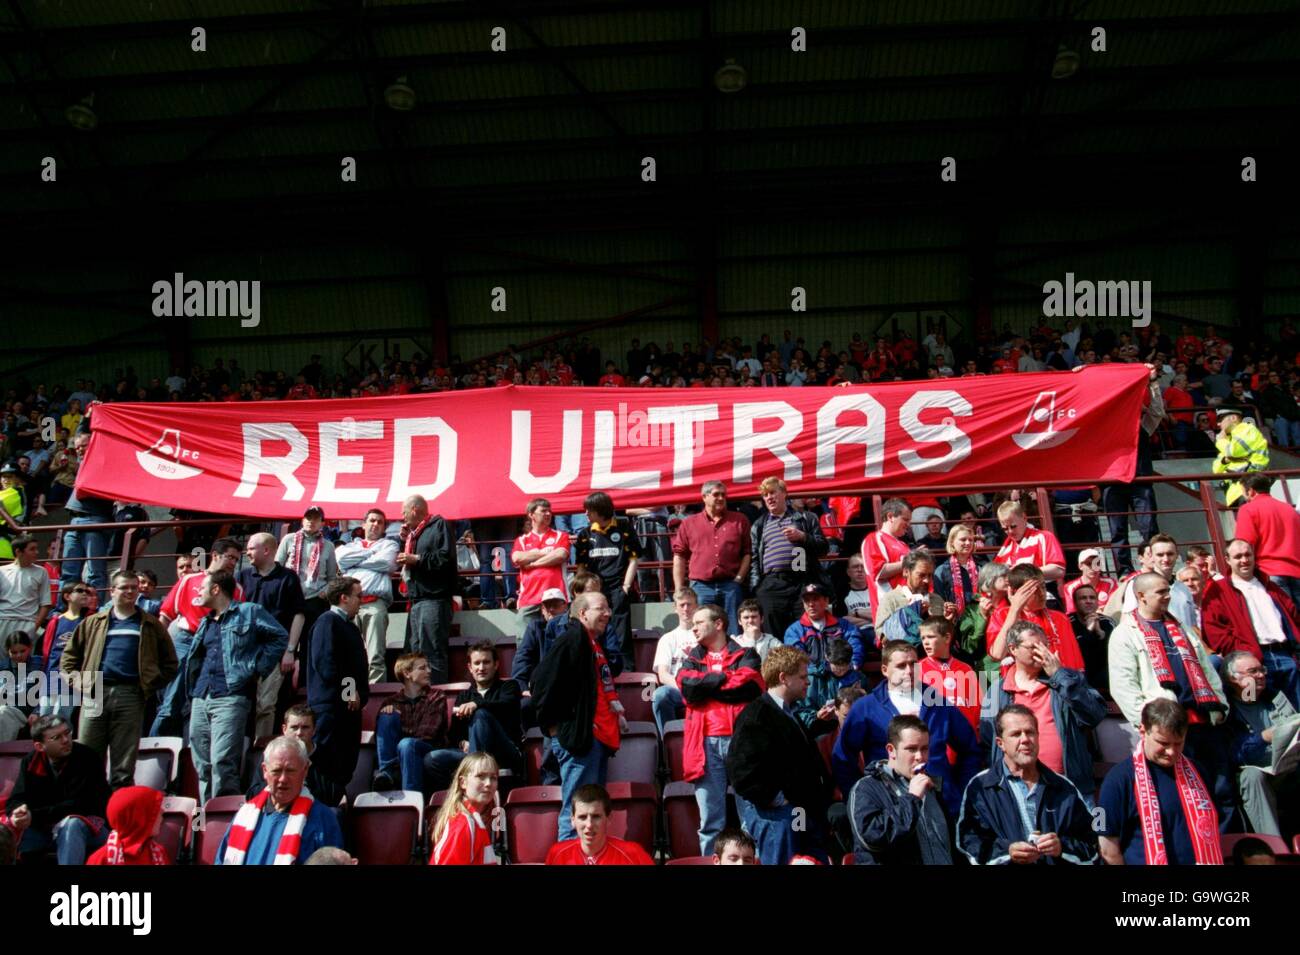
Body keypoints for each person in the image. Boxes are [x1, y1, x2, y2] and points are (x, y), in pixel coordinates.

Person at [1108, 571, 1235, 827]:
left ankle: (1227, 849)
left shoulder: (1181, 628)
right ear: (1141, 596)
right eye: (1162, 592)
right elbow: (1124, 687)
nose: (1168, 596)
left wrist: (1221, 706)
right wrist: (1150, 725)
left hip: (1204, 722)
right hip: (1168, 731)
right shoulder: (1125, 634)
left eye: (1168, 590)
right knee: (1185, 794)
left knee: (1223, 791)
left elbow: (1206, 670)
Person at [833, 640, 981, 818]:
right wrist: (859, 798)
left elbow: (970, 750)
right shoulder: (866, 708)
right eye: (901, 666)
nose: (909, 671)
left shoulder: (938, 702)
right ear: (885, 670)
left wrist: (960, 790)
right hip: (890, 809)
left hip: (942, 806)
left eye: (913, 664)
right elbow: (842, 757)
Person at [60, 570, 177, 788]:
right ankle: (89, 815)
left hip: (130, 695)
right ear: (112, 591)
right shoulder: (92, 623)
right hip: (94, 693)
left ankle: (118, 817)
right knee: (87, 758)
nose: (130, 591)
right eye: (124, 587)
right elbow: (68, 659)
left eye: (134, 587)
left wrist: (150, 684)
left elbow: (170, 663)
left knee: (123, 764)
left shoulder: (150, 624)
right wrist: (78, 682)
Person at [185, 569, 289, 804]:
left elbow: (279, 637)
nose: (198, 592)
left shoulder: (249, 611)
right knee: (202, 763)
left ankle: (223, 820)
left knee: (223, 761)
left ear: (215, 589)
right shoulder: (205, 621)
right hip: (201, 696)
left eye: (202, 587)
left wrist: (256, 668)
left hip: (231, 695)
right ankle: (206, 817)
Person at [530, 592, 627, 841]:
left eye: (608, 608)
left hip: (595, 739)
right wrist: (554, 728)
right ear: (582, 613)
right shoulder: (572, 638)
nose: (607, 613)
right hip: (579, 740)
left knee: (590, 810)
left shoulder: (591, 642)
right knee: (577, 813)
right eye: (600, 608)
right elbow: (540, 683)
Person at [725, 646, 833, 865]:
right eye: (803, 677)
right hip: (777, 819)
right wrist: (778, 800)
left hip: (799, 814)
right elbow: (742, 772)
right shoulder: (756, 715)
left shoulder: (788, 712)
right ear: (783, 678)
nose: (808, 682)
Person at [957, 704, 1098, 865]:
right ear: (1000, 743)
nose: (1025, 739)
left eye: (1030, 732)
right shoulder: (981, 787)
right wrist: (1007, 851)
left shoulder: (1064, 787)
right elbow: (968, 842)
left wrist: (1062, 847)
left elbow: (1091, 844)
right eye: (1016, 734)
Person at [984, 621, 1107, 804]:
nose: (1042, 651)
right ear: (1013, 649)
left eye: (1045, 645)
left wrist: (1059, 677)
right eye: (1033, 646)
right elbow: (989, 738)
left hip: (1069, 787)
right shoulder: (996, 691)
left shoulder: (1069, 679)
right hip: (1018, 790)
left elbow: (1094, 715)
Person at [678, 603, 763, 855]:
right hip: (705, 745)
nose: (693, 628)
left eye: (699, 623)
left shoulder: (748, 654)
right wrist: (724, 678)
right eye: (692, 623)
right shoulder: (691, 658)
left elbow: (747, 686)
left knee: (750, 817)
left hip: (742, 743)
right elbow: (687, 688)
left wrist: (706, 687)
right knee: (709, 822)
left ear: (718, 624)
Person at [1098, 699, 1223, 865]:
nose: (1171, 752)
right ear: (1143, 731)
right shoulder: (1118, 780)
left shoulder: (1198, 772)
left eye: (1178, 743)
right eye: (1163, 743)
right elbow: (1107, 848)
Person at [1201, 538, 1300, 709]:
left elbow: (1293, 616)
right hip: (1250, 663)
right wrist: (1242, 653)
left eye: (1248, 555)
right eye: (1238, 556)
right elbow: (1213, 630)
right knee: (1258, 711)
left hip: (1285, 656)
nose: (1244, 560)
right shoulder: (1217, 590)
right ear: (1227, 560)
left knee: (1296, 709)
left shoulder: (1270, 586)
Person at [216, 735, 345, 865]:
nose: (283, 779)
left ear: (305, 770)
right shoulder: (244, 816)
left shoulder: (323, 819)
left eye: (290, 771)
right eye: (277, 771)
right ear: (265, 771)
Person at [847, 715, 955, 865]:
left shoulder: (930, 787)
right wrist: (912, 799)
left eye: (924, 749)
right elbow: (872, 837)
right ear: (891, 750)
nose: (920, 756)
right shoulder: (866, 789)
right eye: (911, 749)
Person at [9, 715, 111, 864]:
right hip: (45, 828)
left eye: (67, 733)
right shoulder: (30, 761)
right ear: (40, 746)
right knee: (10, 827)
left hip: (89, 830)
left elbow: (78, 805)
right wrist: (18, 813)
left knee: (72, 824)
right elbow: (16, 798)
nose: (66, 740)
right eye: (56, 737)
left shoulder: (87, 757)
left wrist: (34, 816)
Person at [236, 532, 307, 740]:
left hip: (274, 652)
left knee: (266, 704)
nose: (247, 552)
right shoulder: (242, 577)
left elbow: (298, 615)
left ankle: (261, 750)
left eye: (251, 548)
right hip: (245, 652)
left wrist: (290, 651)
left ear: (266, 550)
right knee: (242, 704)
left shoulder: (288, 577)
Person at [306, 576, 370, 805]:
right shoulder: (327, 622)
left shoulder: (348, 625)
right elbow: (326, 663)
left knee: (343, 764)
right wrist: (349, 690)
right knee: (328, 762)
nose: (361, 601)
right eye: (358, 596)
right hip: (331, 709)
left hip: (346, 710)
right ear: (344, 598)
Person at [1222, 650, 1300, 837]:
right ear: (1234, 679)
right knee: (1251, 776)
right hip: (1260, 774)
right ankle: (1275, 846)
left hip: (1288, 766)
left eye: (1262, 670)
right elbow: (1233, 755)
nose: (1261, 675)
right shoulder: (1227, 709)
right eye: (1253, 671)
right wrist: (1264, 737)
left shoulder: (1274, 698)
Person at [749, 476, 829, 639]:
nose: (769, 497)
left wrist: (803, 537)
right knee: (773, 633)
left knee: (805, 630)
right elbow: (754, 558)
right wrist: (757, 587)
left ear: (784, 493)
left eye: (772, 492)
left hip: (801, 580)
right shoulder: (759, 524)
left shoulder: (806, 518)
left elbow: (823, 549)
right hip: (772, 583)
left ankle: (807, 663)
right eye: (765, 495)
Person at [671, 481, 751, 635]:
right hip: (700, 587)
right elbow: (679, 556)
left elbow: (747, 553)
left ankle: (733, 659)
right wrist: (679, 589)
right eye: (716, 494)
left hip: (731, 586)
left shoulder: (740, 520)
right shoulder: (688, 524)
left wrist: (739, 579)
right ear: (704, 497)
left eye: (723, 495)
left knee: (733, 632)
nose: (721, 498)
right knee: (701, 631)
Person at [373, 653, 455, 793]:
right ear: (407, 673)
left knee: (407, 744)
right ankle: (386, 774)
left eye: (428, 667)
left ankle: (412, 800)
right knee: (387, 717)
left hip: (428, 750)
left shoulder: (436, 696)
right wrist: (390, 716)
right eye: (422, 668)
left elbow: (428, 733)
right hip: (400, 756)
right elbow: (382, 740)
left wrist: (401, 723)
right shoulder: (391, 702)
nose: (429, 671)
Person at [334, 508, 399, 684]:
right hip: (348, 606)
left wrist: (355, 562)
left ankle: (374, 699)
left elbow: (385, 563)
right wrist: (371, 553)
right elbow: (341, 561)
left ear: (384, 527)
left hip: (374, 604)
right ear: (363, 524)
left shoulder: (390, 545)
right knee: (348, 656)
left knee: (375, 656)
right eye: (372, 520)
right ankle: (349, 698)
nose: (375, 524)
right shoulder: (349, 546)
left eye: (380, 522)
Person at [397, 494, 457, 683]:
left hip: (434, 599)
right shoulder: (414, 534)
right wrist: (407, 541)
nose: (402, 516)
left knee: (432, 652)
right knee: (414, 653)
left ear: (414, 509)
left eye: (404, 512)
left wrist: (417, 559)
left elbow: (446, 558)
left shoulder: (439, 525)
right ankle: (418, 696)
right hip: (416, 600)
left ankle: (437, 696)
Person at [985, 564, 1085, 676]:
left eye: (1043, 586)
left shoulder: (1060, 618)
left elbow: (1075, 662)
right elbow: (997, 654)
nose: (1042, 593)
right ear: (1015, 592)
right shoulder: (1002, 615)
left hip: (1059, 682)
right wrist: (1015, 609)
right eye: (1035, 589)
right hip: (1020, 686)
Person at [575, 491, 642, 657]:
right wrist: (581, 590)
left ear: (600, 510)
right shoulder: (584, 534)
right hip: (593, 592)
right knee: (592, 629)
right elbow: (581, 567)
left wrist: (625, 586)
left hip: (618, 589)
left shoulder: (624, 526)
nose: (585, 514)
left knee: (621, 633)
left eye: (589, 510)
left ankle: (625, 670)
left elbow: (634, 559)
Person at [448, 641, 523, 779]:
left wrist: (477, 704)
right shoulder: (464, 696)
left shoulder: (509, 687)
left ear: (496, 664)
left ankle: (474, 780)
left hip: (504, 752)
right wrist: (462, 742)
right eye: (477, 663)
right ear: (470, 667)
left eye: (486, 662)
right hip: (470, 752)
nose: (481, 668)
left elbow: (506, 704)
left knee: (481, 714)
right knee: (432, 759)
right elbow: (454, 733)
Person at [545, 783, 653, 865]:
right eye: (582, 817)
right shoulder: (557, 854)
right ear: (573, 820)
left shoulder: (633, 854)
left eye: (596, 816)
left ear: (608, 818)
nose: (589, 825)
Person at [1235, 474, 1300, 606]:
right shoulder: (1289, 509)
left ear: (1251, 491)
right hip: (1296, 570)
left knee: (1284, 621)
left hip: (1270, 572)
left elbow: (1244, 545)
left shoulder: (1248, 509)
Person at [429, 752, 501, 865]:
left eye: (493, 778)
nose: (488, 783)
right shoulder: (462, 824)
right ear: (463, 782)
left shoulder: (472, 819)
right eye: (480, 776)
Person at [276, 506, 338, 630]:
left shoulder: (328, 546)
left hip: (315, 598)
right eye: (308, 517)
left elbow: (332, 577)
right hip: (290, 596)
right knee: (286, 638)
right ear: (302, 520)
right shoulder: (289, 539)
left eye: (316, 518)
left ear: (322, 523)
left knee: (309, 640)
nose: (311, 521)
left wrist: (324, 592)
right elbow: (277, 567)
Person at [511, 497, 570, 621]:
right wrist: (544, 552)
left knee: (558, 638)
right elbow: (517, 558)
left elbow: (560, 555)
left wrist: (532, 564)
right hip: (529, 599)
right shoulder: (522, 540)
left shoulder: (560, 535)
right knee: (525, 638)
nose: (548, 514)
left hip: (556, 597)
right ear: (531, 515)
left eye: (549, 511)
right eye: (543, 511)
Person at [650, 588, 699, 735]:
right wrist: (684, 687)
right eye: (682, 605)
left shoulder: (704, 634)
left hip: (702, 688)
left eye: (690, 605)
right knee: (660, 695)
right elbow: (663, 675)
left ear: (696, 606)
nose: (686, 609)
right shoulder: (668, 639)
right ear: (675, 608)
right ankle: (668, 742)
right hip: (678, 690)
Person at [874, 548, 948, 644]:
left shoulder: (937, 600)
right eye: (921, 575)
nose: (927, 580)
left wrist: (949, 621)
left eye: (930, 575)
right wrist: (909, 614)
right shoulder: (891, 599)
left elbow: (946, 638)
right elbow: (883, 638)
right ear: (906, 572)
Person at [918, 618, 980, 732]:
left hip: (964, 738)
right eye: (923, 638)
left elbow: (976, 707)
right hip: (934, 739)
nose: (925, 642)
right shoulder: (918, 670)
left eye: (930, 637)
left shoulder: (965, 669)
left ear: (947, 638)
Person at [85, 785, 171, 865]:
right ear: (139, 819)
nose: (162, 811)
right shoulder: (101, 859)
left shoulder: (159, 854)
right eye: (153, 810)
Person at [861, 497, 912, 621]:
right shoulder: (874, 538)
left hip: (908, 609)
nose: (908, 525)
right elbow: (879, 572)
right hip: (889, 614)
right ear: (890, 516)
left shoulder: (904, 545)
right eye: (905, 519)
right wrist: (912, 561)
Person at [993, 500, 1066, 583]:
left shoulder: (1044, 536)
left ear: (1024, 517)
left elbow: (1059, 570)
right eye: (1005, 529)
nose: (1010, 531)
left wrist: (1025, 573)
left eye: (1013, 526)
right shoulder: (1006, 547)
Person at [1212, 407, 1268, 506]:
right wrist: (1225, 459)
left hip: (1251, 489)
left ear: (1233, 418)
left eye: (1221, 420)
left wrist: (1220, 441)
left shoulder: (1247, 429)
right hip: (1234, 494)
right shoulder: (1229, 439)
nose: (1218, 424)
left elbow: (1233, 452)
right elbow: (1216, 469)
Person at [0, 535, 52, 642]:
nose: (37, 552)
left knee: (23, 658)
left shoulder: (41, 572)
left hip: (27, 623)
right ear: (19, 552)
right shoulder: (2, 571)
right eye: (32, 549)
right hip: (3, 620)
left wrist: (34, 627)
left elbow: (46, 603)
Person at [931, 523, 985, 618]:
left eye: (971, 540)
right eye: (963, 540)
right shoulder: (942, 571)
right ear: (952, 542)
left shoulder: (980, 567)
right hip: (953, 621)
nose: (968, 543)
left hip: (979, 620)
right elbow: (938, 602)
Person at [1067, 583, 1114, 693]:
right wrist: (1088, 629)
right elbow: (1076, 651)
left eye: (1092, 598)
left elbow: (1114, 650)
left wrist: (1099, 632)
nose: (1088, 601)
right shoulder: (1067, 622)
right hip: (1077, 675)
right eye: (1083, 598)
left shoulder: (1107, 621)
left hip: (1104, 676)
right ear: (1075, 603)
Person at [1062, 547, 1118, 614]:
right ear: (1080, 566)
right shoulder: (1070, 587)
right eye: (1088, 564)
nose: (1093, 568)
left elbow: (1115, 607)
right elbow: (1072, 613)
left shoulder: (1111, 583)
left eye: (1097, 564)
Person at [732, 598, 780, 662]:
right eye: (746, 617)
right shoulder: (734, 643)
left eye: (754, 617)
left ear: (762, 619)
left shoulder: (773, 642)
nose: (750, 621)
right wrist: (751, 640)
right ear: (739, 621)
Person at [836, 553, 874, 635]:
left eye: (863, 566)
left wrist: (857, 612)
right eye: (855, 566)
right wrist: (872, 619)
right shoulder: (842, 592)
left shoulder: (876, 590)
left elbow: (883, 616)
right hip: (854, 634)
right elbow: (843, 620)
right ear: (848, 572)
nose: (860, 570)